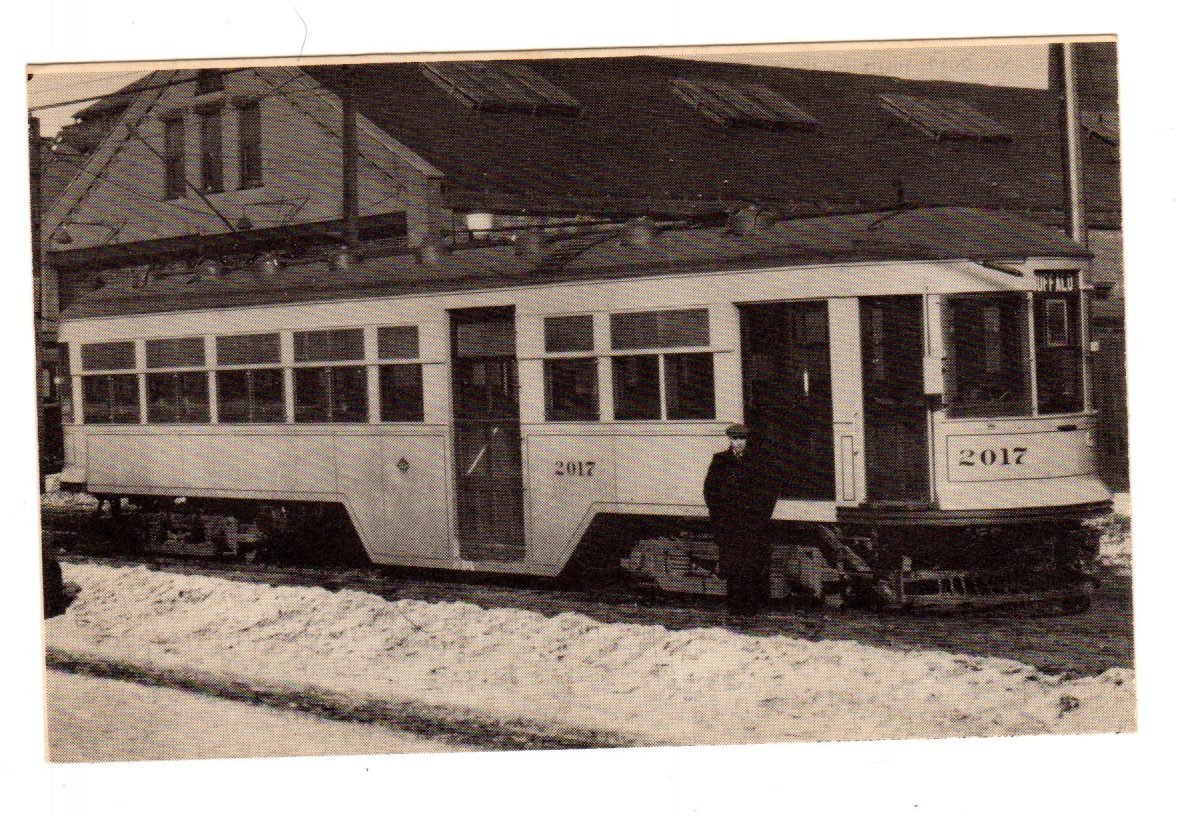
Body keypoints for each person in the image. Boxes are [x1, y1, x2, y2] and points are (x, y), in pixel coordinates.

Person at [703, 423, 780, 614]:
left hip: (752, 524)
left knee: (751, 566)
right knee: (732, 566)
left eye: (742, 439)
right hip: (729, 525)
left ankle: (751, 607)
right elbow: (710, 491)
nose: (738, 443)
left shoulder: (758, 461)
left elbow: (769, 492)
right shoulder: (720, 460)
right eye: (735, 439)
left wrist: (761, 518)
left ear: (747, 440)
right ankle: (734, 607)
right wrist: (720, 518)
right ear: (730, 440)